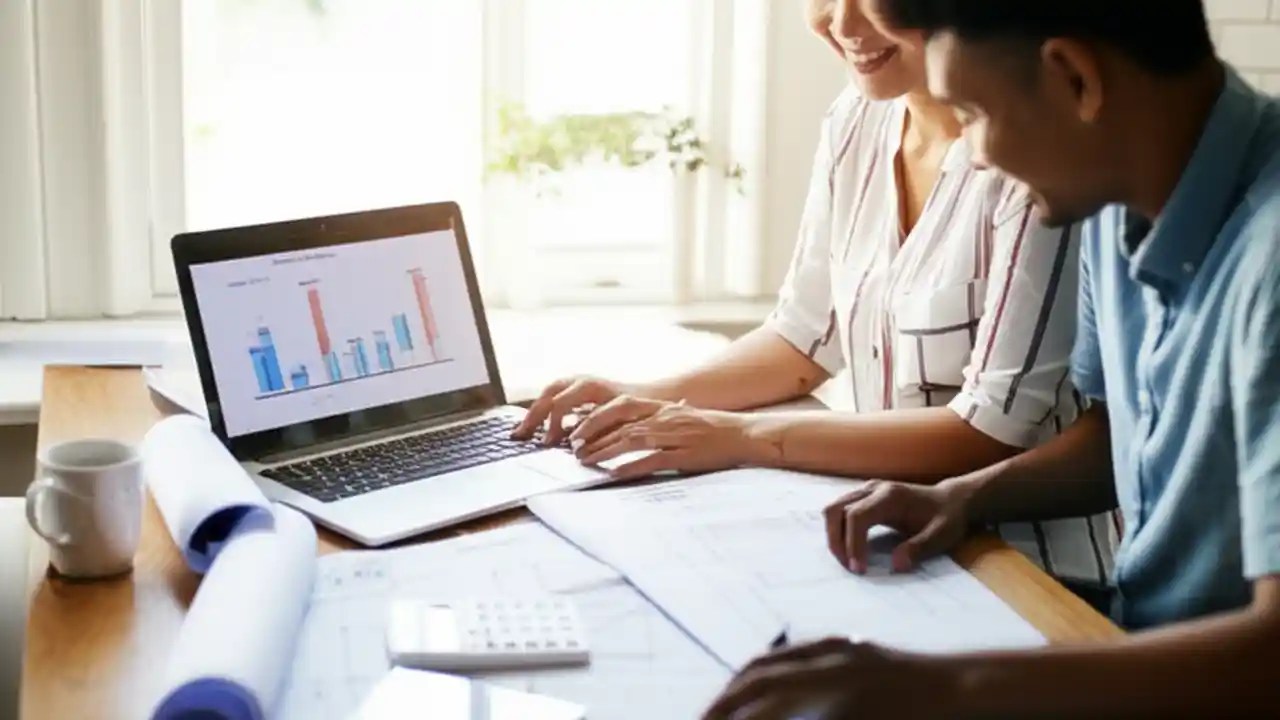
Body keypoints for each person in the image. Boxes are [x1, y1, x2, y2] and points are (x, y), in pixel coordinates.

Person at [703, 1, 1280, 717]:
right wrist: (965, 497)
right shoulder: (1109, 196)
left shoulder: (1270, 259)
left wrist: (945, 687)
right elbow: (1119, 440)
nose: (971, 156)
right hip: (1125, 642)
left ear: (1075, 78)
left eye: (972, 112)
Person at [513, 0, 1114, 587]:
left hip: (1032, 571)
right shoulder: (856, 118)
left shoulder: (1032, 156)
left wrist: (740, 437)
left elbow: (988, 428)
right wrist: (645, 399)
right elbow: (803, 336)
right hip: (891, 544)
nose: (845, 24)